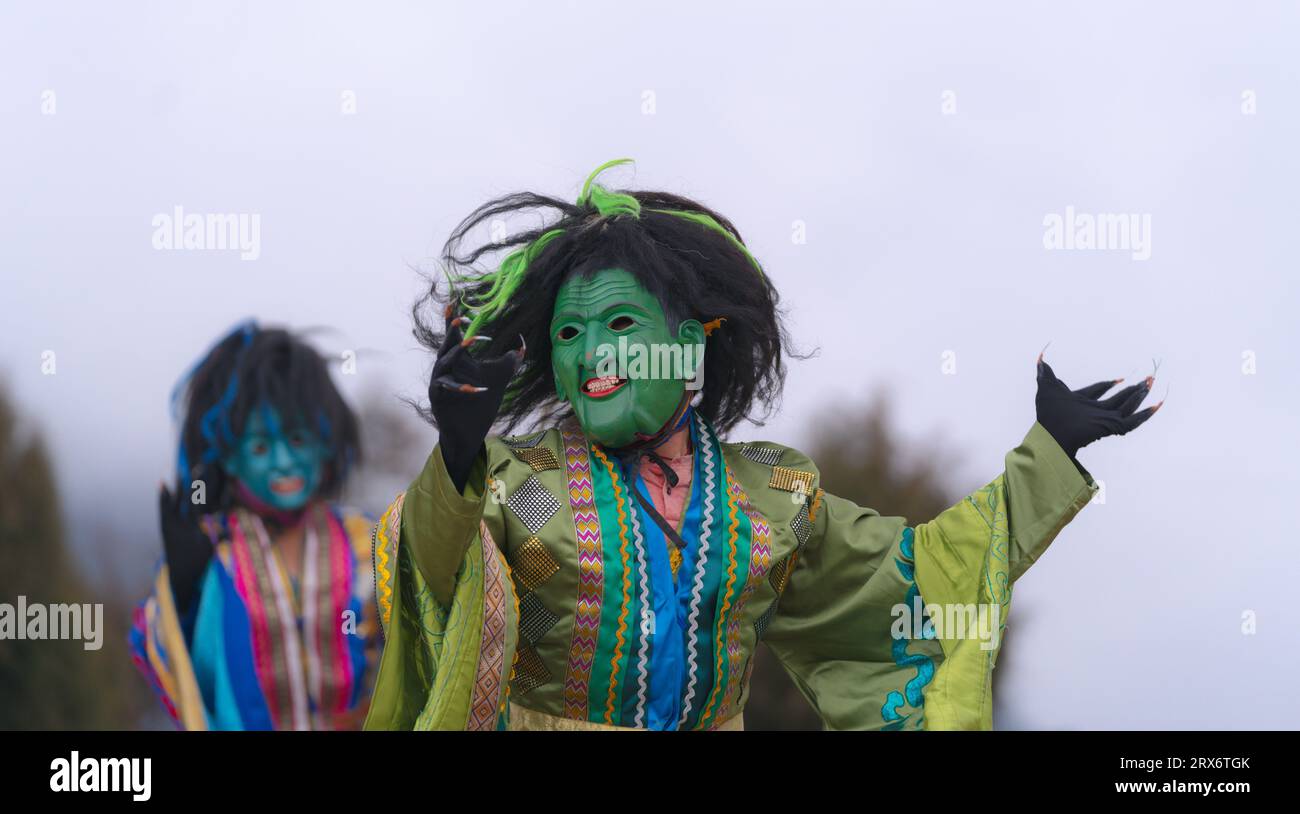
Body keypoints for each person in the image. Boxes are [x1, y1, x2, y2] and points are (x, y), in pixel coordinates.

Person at [364, 160, 1159, 731]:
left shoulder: (774, 494)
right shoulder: (511, 482)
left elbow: (917, 577)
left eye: (618, 324)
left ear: (686, 347)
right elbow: (430, 575)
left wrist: (1047, 454)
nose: (589, 353)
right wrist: (459, 455)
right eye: (568, 333)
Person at [131, 322, 377, 730]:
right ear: (228, 457)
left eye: (298, 439)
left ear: (327, 439)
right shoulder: (219, 558)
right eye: (261, 446)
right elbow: (175, 667)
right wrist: (186, 590)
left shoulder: (370, 542)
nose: (282, 462)